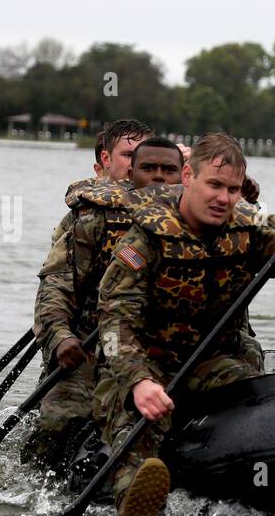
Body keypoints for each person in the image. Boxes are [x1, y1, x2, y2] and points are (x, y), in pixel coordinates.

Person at [94, 132, 275, 516]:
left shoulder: (249, 222)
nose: (223, 198)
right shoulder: (145, 236)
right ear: (188, 177)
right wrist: (139, 381)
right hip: (148, 361)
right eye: (214, 185)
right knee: (136, 427)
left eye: (231, 189)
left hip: (214, 359)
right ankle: (136, 506)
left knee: (254, 406)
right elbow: (113, 319)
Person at [23, 135, 181, 471]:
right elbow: (56, 285)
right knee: (59, 421)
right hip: (94, 344)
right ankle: (42, 480)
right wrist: (60, 337)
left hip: (162, 349)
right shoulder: (95, 218)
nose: (158, 177)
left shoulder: (201, 217)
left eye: (168, 169)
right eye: (145, 166)